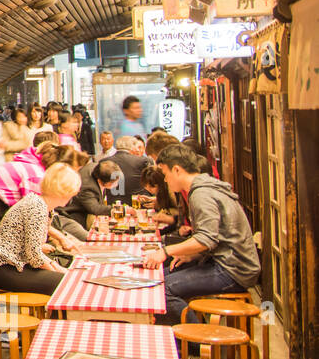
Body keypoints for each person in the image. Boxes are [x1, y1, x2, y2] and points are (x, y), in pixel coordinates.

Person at [142, 144, 260, 325]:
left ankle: (198, 342)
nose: (165, 180)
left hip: (232, 269)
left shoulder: (201, 194)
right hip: (224, 261)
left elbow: (206, 238)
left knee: (161, 289)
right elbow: (215, 238)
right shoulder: (205, 186)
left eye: (165, 174)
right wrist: (192, 255)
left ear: (177, 170)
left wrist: (165, 252)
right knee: (158, 277)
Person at [0, 163, 82, 294]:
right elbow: (35, 257)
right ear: (65, 192)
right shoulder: (37, 208)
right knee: (67, 283)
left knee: (66, 278)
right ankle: (55, 314)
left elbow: (33, 251)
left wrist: (55, 266)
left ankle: (54, 314)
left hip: (8, 265)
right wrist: (57, 268)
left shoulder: (38, 202)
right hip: (4, 269)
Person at [60, 159, 121, 231]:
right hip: (71, 215)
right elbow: (95, 209)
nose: (116, 184)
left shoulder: (98, 168)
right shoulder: (87, 187)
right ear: (100, 181)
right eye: (113, 183)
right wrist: (120, 209)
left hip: (84, 211)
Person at [99, 134, 153, 203]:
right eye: (136, 146)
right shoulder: (143, 161)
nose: (137, 149)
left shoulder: (103, 162)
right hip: (138, 204)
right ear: (131, 147)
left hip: (111, 205)